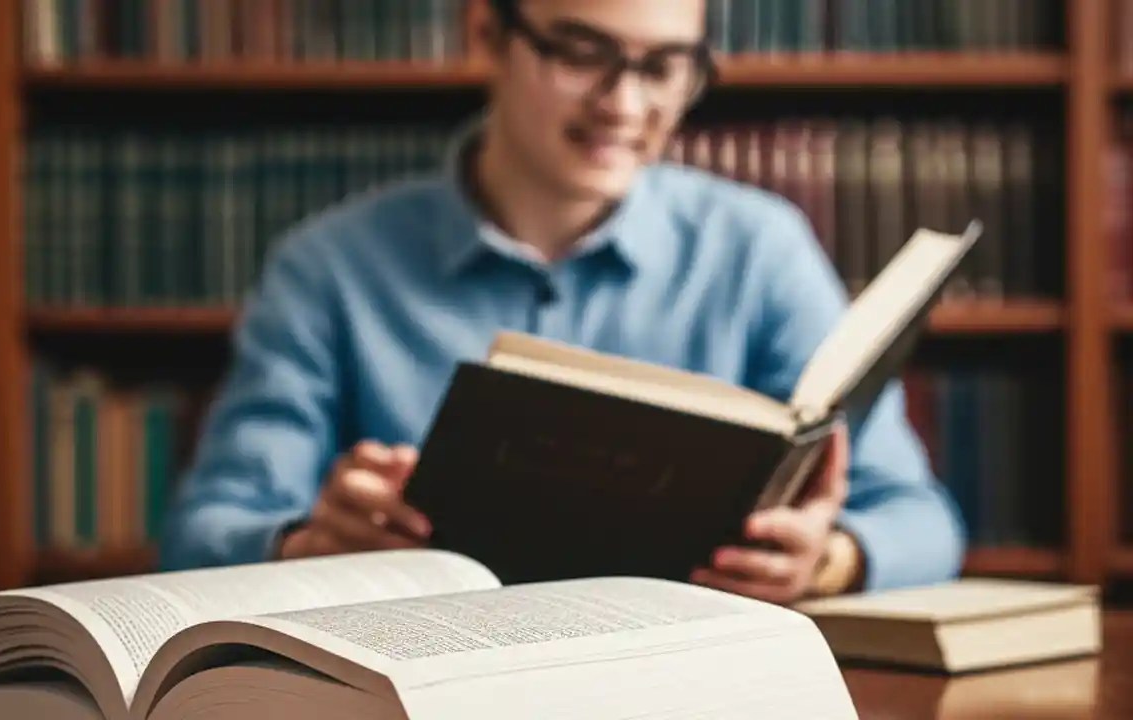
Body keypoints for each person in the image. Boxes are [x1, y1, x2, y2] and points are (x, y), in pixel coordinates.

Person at [159, 0, 967, 604]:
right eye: (582, 54)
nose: (624, 104)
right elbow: (203, 533)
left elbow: (922, 520)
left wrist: (825, 559)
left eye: (664, 67)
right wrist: (305, 543)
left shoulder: (759, 249)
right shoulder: (330, 266)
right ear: (488, 35)